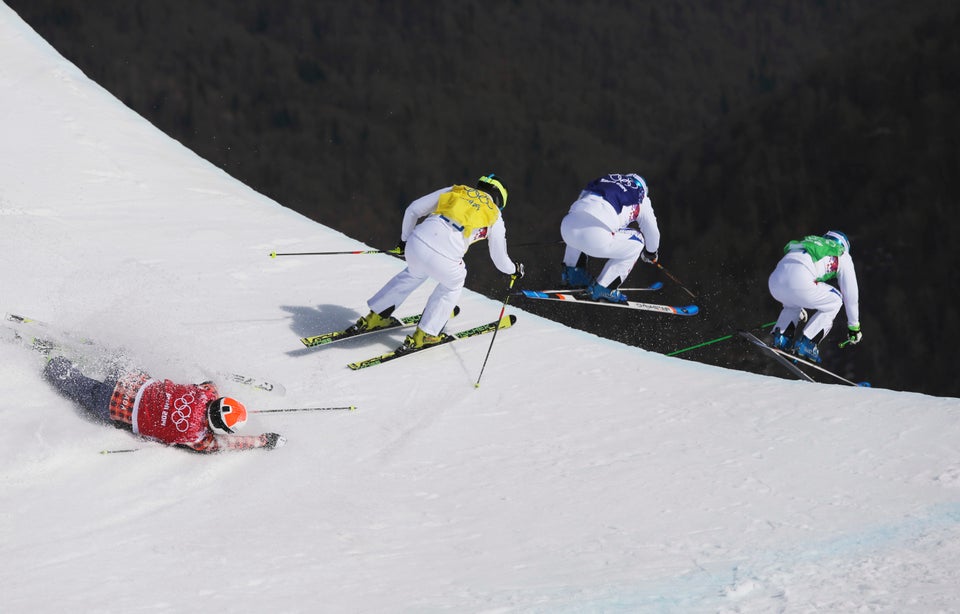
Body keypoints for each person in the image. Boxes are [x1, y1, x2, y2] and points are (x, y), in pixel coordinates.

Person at [349, 174, 524, 352]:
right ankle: (426, 333)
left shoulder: (457, 190)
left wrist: (403, 242)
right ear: (499, 200)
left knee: (413, 273)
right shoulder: (495, 214)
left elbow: (413, 210)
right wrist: (514, 269)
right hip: (446, 260)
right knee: (453, 284)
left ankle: (376, 316)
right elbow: (499, 259)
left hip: (416, 243)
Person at [42, 356, 286, 452]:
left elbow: (210, 385)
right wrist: (263, 440)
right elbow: (225, 445)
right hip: (112, 405)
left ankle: (89, 353)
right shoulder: (197, 436)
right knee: (79, 387)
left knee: (119, 358)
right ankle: (55, 368)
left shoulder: (202, 395)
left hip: (129, 377)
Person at [559, 173, 661, 303]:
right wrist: (650, 253)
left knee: (581, 219)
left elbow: (581, 205)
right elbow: (652, 231)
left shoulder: (605, 179)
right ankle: (604, 288)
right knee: (639, 240)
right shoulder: (641, 196)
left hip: (567, 227)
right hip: (596, 237)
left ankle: (572, 274)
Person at [767, 230, 862, 363]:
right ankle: (807, 343)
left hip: (774, 282)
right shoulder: (842, 254)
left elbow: (790, 277)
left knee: (792, 305)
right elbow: (851, 293)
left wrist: (797, 303)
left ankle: (781, 338)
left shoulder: (807, 242)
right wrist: (854, 327)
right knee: (835, 300)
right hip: (800, 281)